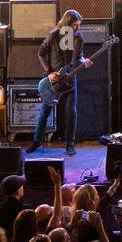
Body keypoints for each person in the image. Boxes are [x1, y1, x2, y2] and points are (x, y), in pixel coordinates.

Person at [29, 10, 85, 156]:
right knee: (45, 112)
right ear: (67, 24)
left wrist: (84, 62)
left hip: (70, 80)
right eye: (74, 25)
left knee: (71, 112)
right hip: (54, 80)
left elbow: (79, 57)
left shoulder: (78, 37)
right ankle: (36, 142)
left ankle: (70, 145)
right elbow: (41, 53)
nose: (77, 28)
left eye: (79, 25)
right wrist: (49, 71)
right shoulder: (53, 36)